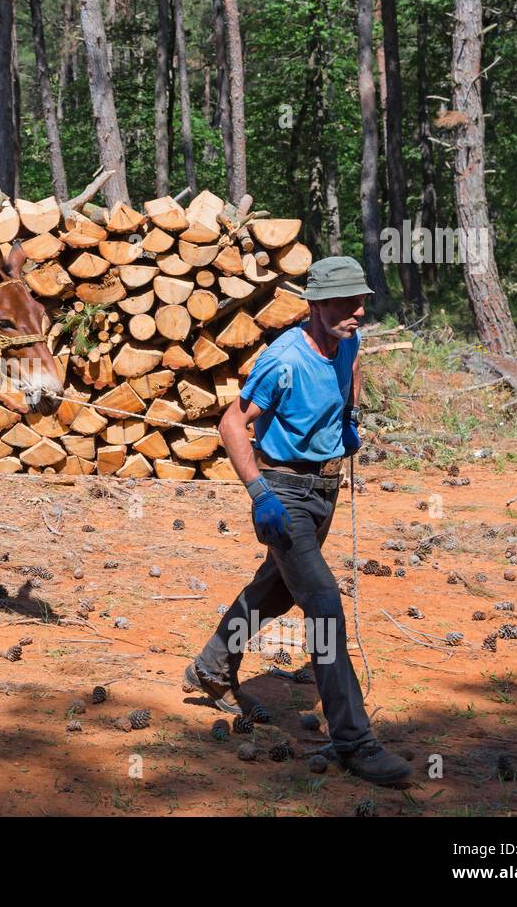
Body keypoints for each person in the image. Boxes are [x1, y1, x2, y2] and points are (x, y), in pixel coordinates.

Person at [183, 256, 411, 786]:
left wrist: (348, 420)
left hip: (325, 489)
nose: (356, 312)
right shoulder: (283, 358)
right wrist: (259, 491)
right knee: (324, 604)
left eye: (360, 302)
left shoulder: (348, 338)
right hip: (283, 493)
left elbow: (349, 370)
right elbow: (232, 423)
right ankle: (355, 741)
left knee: (280, 589)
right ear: (314, 305)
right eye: (343, 304)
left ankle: (212, 664)